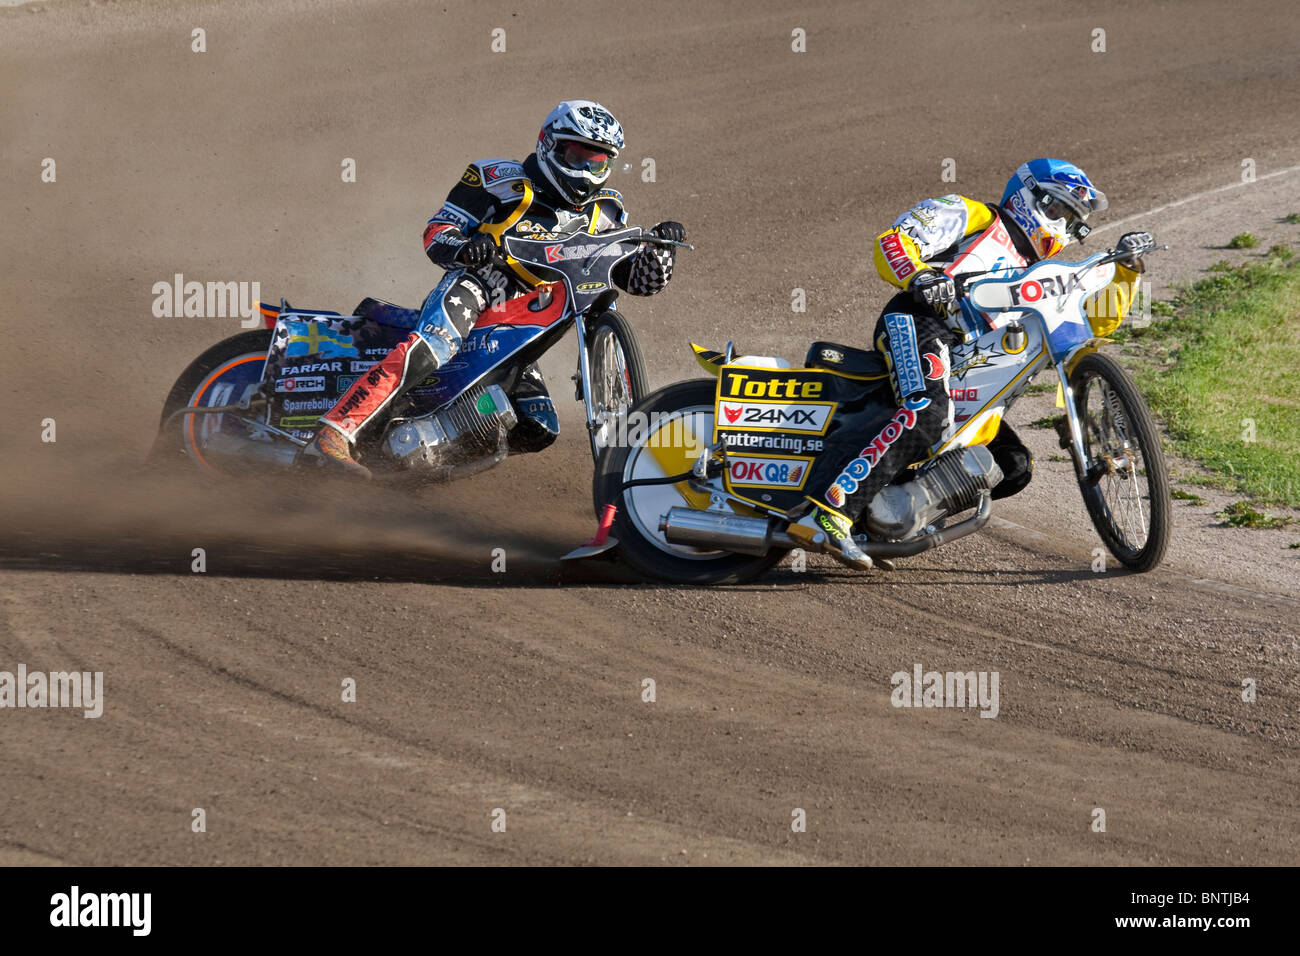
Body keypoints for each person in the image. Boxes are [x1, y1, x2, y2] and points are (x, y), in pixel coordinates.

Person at [796, 158, 1153, 569]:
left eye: (1073, 220)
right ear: (1028, 196)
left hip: (970, 358)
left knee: (1013, 465)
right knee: (927, 412)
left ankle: (881, 514)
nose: (1063, 225)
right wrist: (920, 277)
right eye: (1057, 209)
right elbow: (893, 241)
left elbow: (1095, 320)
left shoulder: (1045, 273)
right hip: (920, 321)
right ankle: (827, 512)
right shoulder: (975, 215)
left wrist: (1128, 272)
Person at [302, 100, 685, 477]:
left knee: (539, 426)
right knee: (432, 347)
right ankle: (332, 434)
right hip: (480, 284)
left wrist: (661, 251)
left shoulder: (609, 209)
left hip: (535, 313)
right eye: (576, 154)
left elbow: (634, 280)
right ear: (549, 143)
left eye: (598, 159)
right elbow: (437, 233)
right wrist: (467, 248)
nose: (586, 169)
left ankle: (419, 462)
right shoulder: (496, 177)